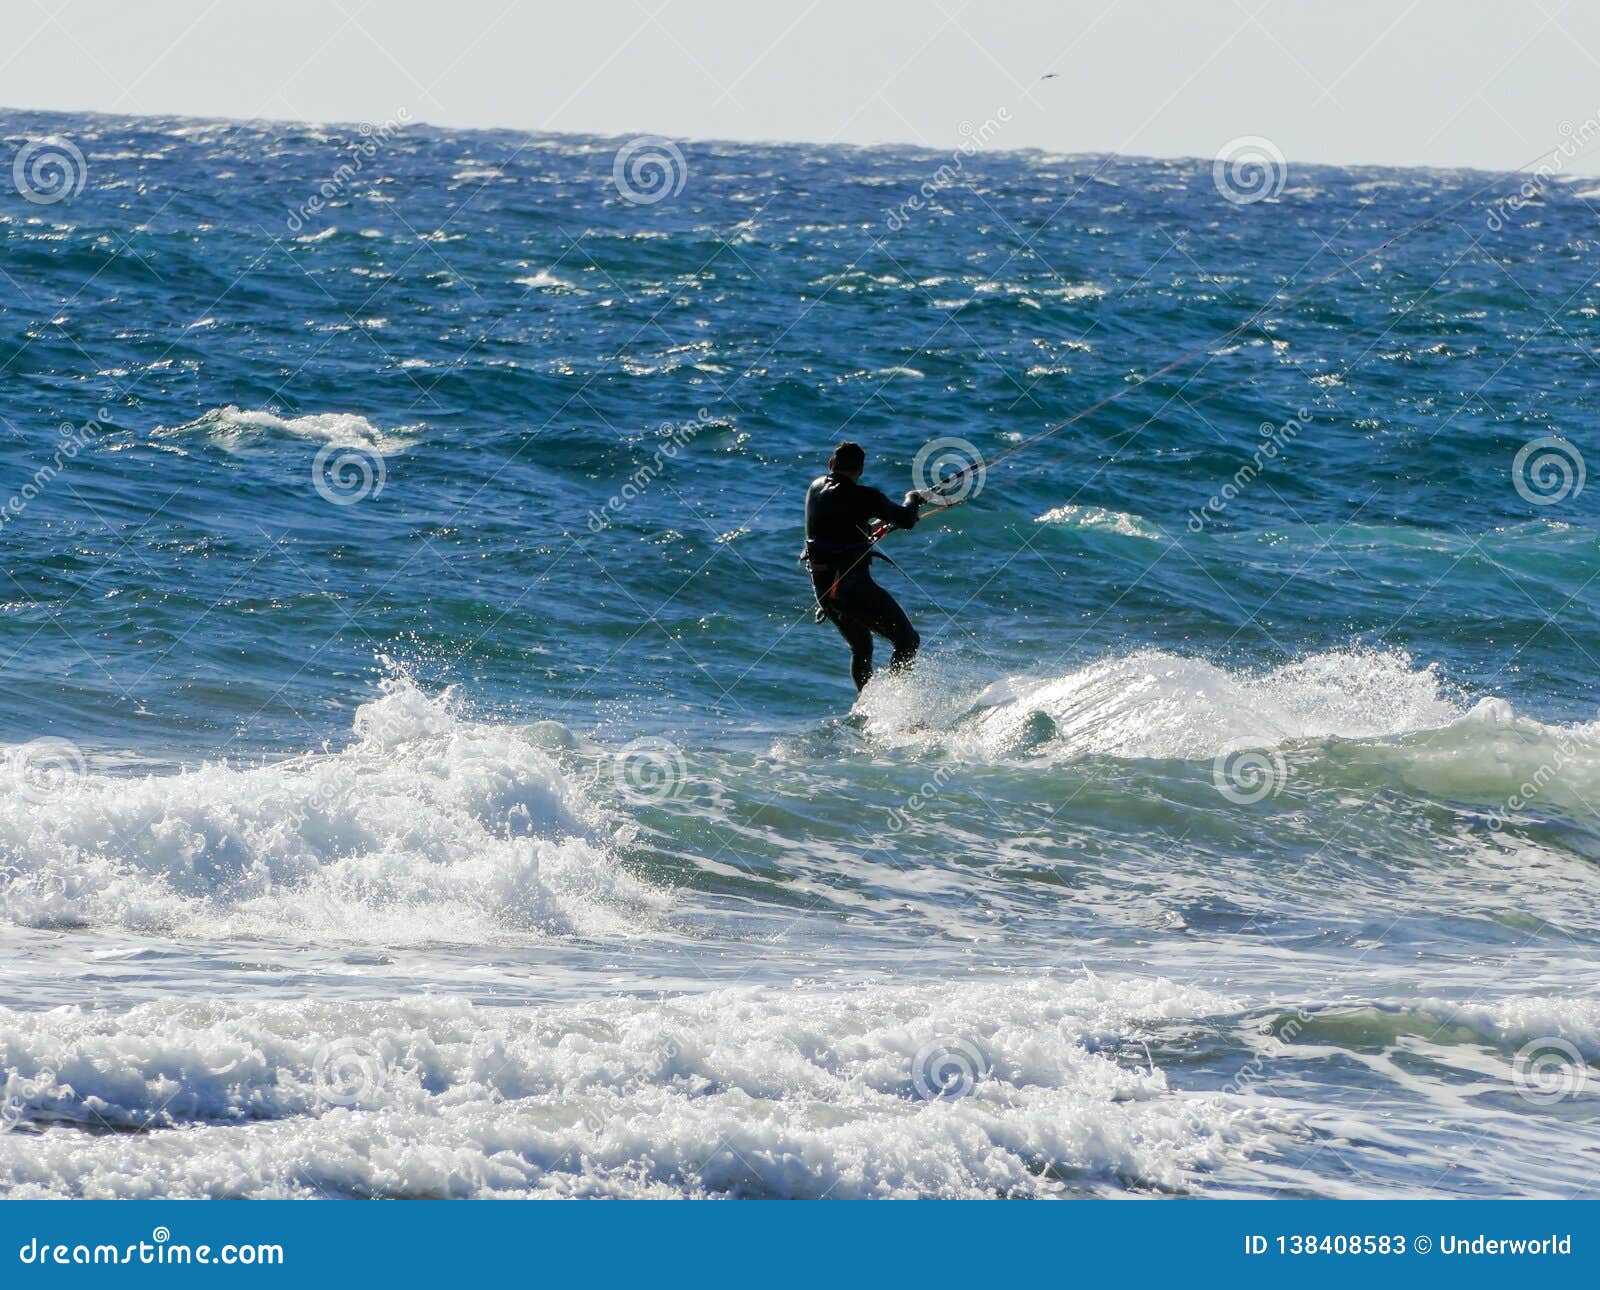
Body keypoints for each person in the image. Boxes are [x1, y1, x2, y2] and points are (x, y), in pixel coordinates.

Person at [803, 441, 929, 691]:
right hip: (852, 588)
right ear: (860, 470)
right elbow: (907, 519)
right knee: (908, 640)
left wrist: (869, 529)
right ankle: (894, 706)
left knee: (861, 646)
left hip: (825, 591)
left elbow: (837, 525)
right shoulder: (865, 496)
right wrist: (912, 498)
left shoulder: (815, 488)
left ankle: (866, 708)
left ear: (831, 465)